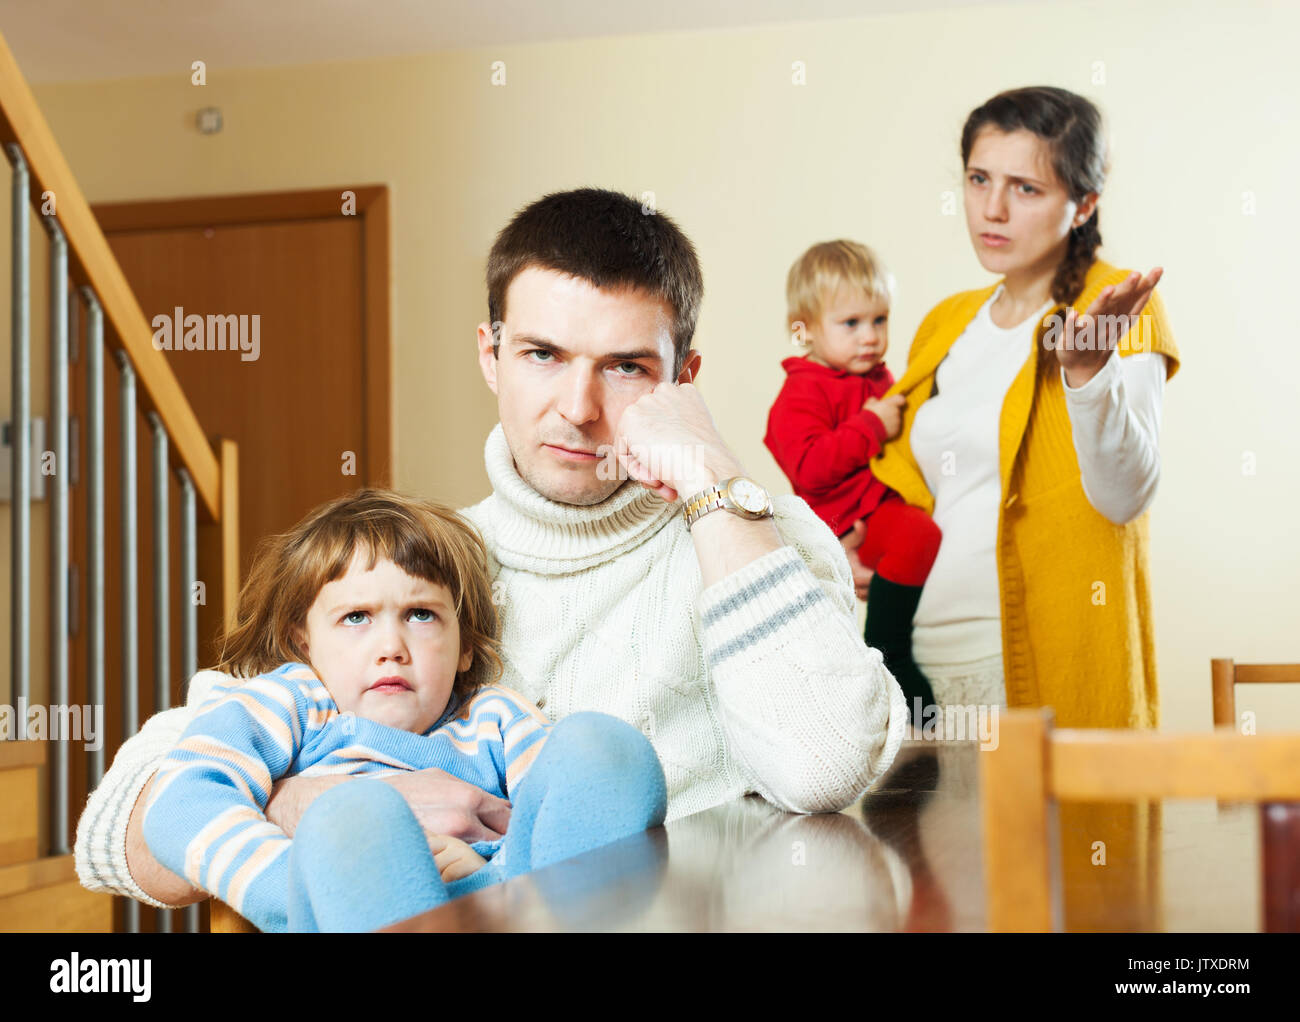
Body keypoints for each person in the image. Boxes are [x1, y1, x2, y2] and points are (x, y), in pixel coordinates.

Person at [76, 187, 909, 914]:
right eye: (542, 354)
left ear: (683, 379)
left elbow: (826, 767)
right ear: (491, 354)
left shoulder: (758, 531)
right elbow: (114, 825)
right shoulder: (416, 570)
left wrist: (715, 482)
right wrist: (308, 803)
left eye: (625, 368)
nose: (577, 408)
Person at [140, 489, 666, 932]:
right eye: (355, 617)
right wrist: (311, 877)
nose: (390, 645)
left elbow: (548, 827)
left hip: (510, 916)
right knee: (358, 818)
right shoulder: (292, 702)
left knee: (605, 750)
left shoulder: (493, 716)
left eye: (420, 614)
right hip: (340, 913)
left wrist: (496, 880)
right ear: (304, 643)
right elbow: (182, 799)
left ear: (465, 646)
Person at [850, 85, 1180, 730]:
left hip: (1031, 663)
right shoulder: (946, 322)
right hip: (916, 661)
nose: (991, 209)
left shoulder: (1117, 304)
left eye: (1026, 188)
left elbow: (1125, 496)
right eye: (978, 179)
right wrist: (859, 542)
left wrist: (1086, 371)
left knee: (1055, 836)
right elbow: (902, 482)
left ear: (1083, 204)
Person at [764, 241, 942, 722]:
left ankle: (891, 649)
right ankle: (874, 663)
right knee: (824, 629)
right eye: (851, 324)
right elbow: (809, 467)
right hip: (838, 522)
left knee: (923, 536)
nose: (870, 337)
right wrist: (870, 426)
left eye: (879, 321)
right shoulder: (803, 390)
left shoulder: (879, 379)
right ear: (804, 329)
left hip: (876, 509)